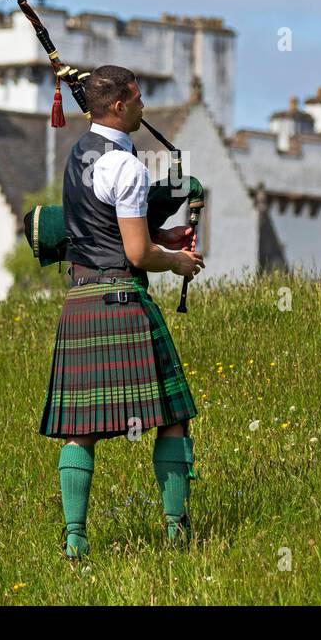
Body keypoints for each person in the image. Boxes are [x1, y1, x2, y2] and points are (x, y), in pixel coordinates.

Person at [37, 65, 204, 560]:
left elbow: (99, 229)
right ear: (117, 106)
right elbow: (135, 254)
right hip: (123, 301)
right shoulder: (127, 167)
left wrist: (164, 236)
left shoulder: (80, 156)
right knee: (173, 416)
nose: (143, 107)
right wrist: (176, 260)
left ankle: (74, 540)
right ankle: (176, 532)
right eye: (137, 99)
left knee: (79, 429)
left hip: (80, 300)